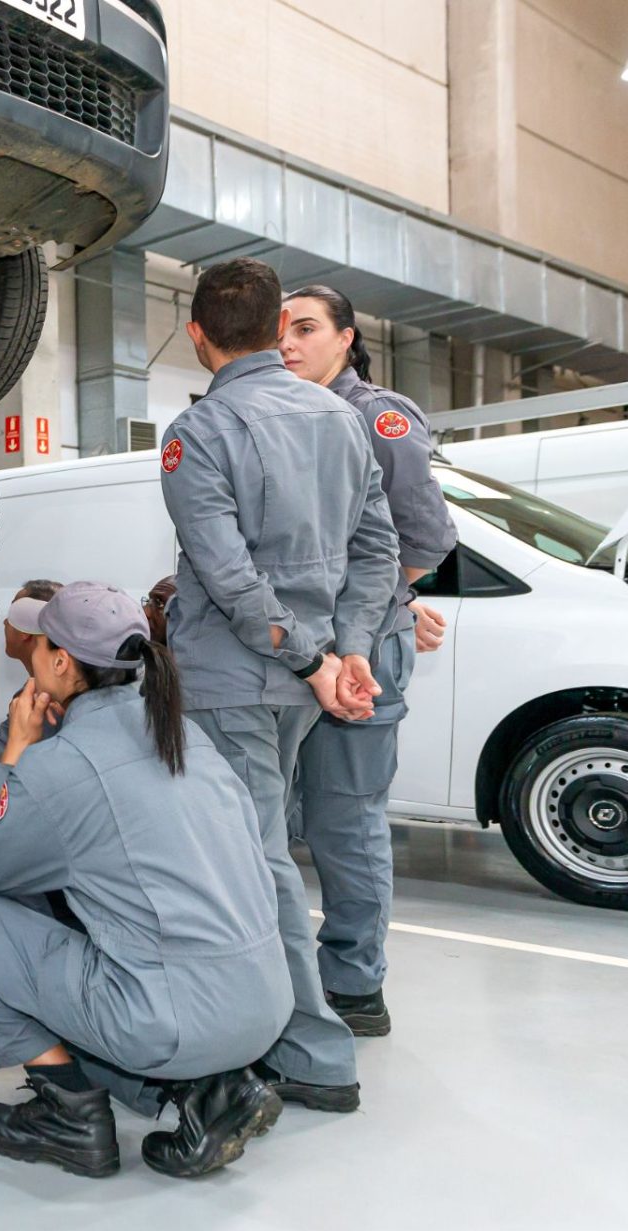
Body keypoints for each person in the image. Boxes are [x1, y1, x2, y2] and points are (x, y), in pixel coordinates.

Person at [0, 584, 291, 1180]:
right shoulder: (185, 736)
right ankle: (203, 1093)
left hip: (167, 1021)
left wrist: (14, 753)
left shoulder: (60, 765)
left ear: (61, 662)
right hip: (266, 1005)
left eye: (38, 646)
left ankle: (70, 1112)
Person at [157, 257, 401, 1113]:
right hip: (310, 680)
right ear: (274, 332)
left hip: (240, 681)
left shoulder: (204, 431)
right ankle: (267, 1021)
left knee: (257, 861)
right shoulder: (341, 421)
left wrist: (311, 658)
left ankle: (314, 1052)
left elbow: (228, 580)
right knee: (266, 853)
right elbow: (380, 551)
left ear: (198, 335)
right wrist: (349, 649)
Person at [281, 284, 459, 1036]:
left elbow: (425, 537)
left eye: (308, 327)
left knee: (344, 821)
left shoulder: (375, 417)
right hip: (292, 654)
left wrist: (380, 609)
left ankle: (355, 986)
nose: (289, 342)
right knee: (281, 817)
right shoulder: (281, 416)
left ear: (347, 337)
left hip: (353, 656)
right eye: (279, 329)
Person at [0, 580, 62, 790]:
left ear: (25, 631)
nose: (5, 622)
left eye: (13, 613)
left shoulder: (39, 700)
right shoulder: (67, 686)